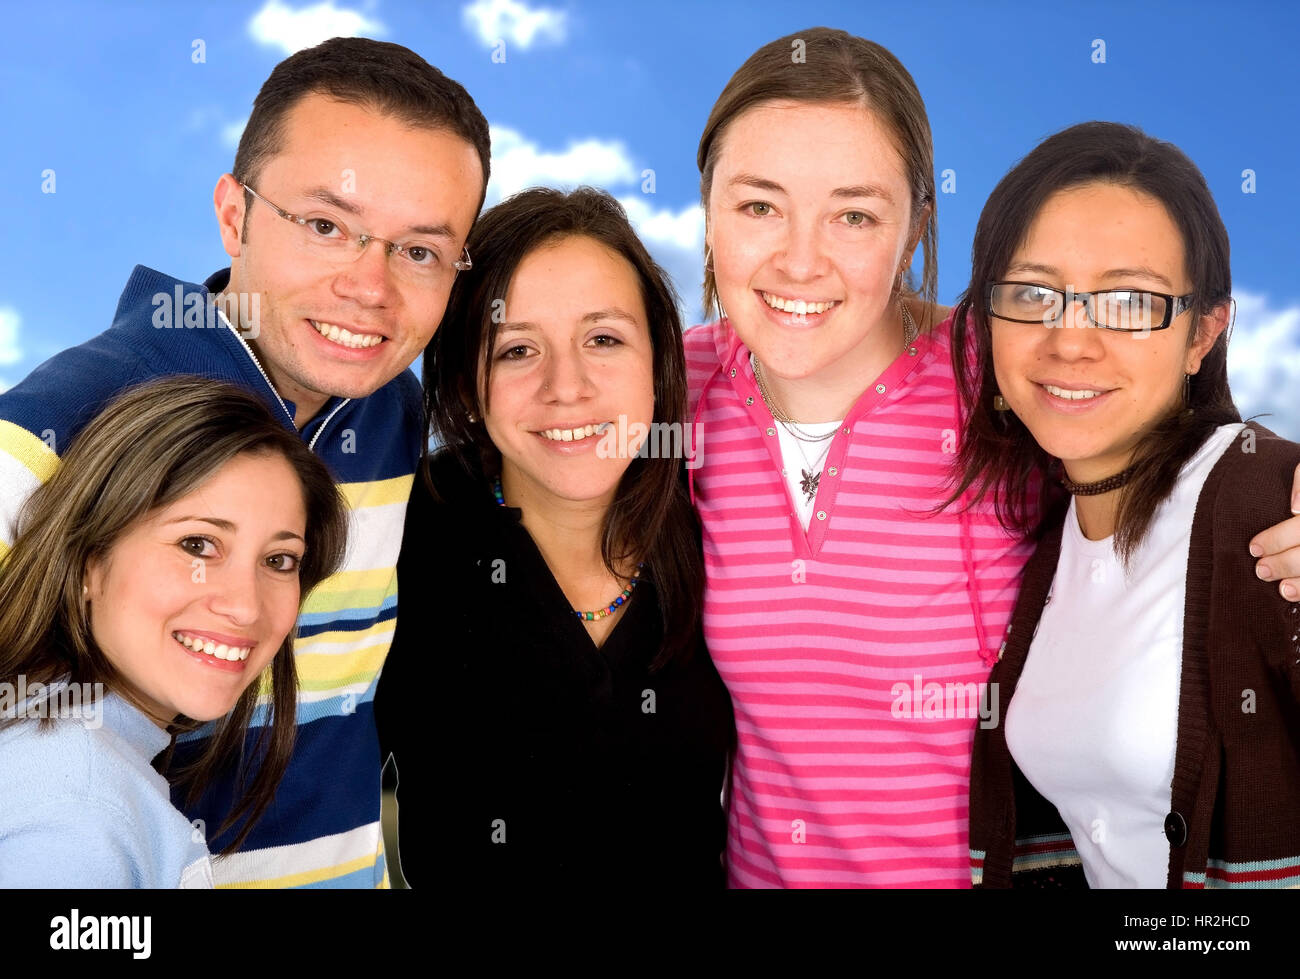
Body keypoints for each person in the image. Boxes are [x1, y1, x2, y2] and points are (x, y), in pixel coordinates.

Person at [683, 26, 1300, 887]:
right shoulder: (666, 383)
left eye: (854, 213)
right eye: (758, 206)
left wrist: (1281, 483)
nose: (799, 258)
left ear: (914, 229)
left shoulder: (1006, 371)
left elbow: (1169, 421)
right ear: (705, 210)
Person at [0, 36, 488, 888]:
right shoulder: (54, 427)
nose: (370, 287)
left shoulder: (395, 415)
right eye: (327, 225)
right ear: (235, 216)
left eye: (419, 250)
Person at [952, 122, 1300, 889]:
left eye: (1130, 300)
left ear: (1203, 334)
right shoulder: (1053, 533)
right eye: (1032, 293)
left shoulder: (1269, 505)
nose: (1070, 339)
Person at [376, 187, 734, 888]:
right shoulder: (403, 535)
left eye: (603, 338)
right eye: (516, 350)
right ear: (465, 385)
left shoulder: (720, 521)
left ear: (661, 362)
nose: (565, 387)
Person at [0, 377, 348, 887]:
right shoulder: (81, 813)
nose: (245, 606)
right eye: (197, 545)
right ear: (87, 565)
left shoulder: (60, 752)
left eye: (278, 560)